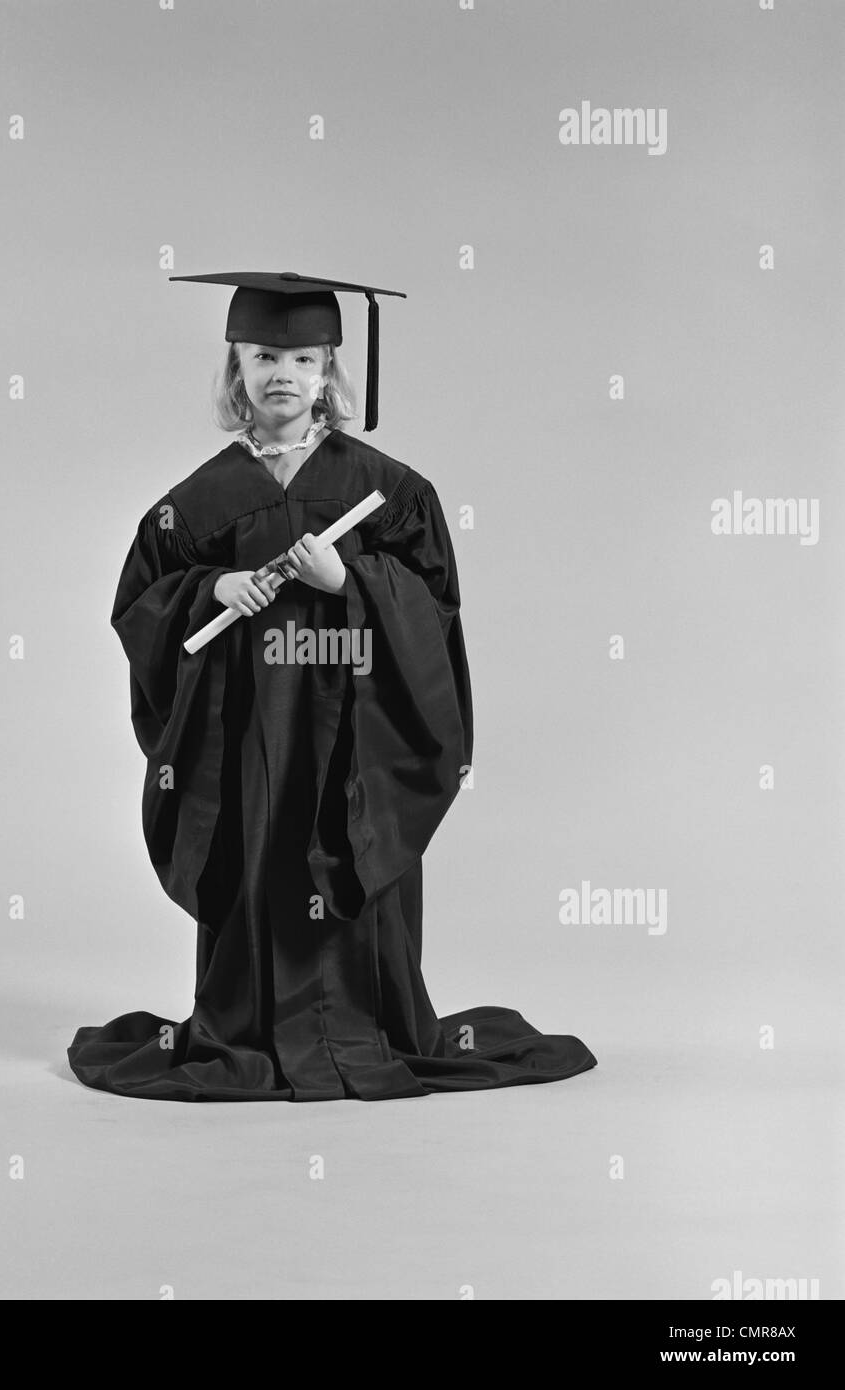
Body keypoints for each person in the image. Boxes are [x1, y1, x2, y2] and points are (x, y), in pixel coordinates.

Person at [66, 270, 598, 1101]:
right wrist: (209, 590)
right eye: (264, 355)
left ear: (330, 375)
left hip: (357, 742)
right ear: (235, 371)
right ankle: (246, 1030)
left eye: (304, 358)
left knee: (343, 856)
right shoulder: (194, 505)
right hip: (248, 740)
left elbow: (435, 610)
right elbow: (140, 608)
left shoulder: (387, 490)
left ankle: (367, 1027)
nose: (283, 373)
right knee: (255, 861)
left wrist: (346, 577)